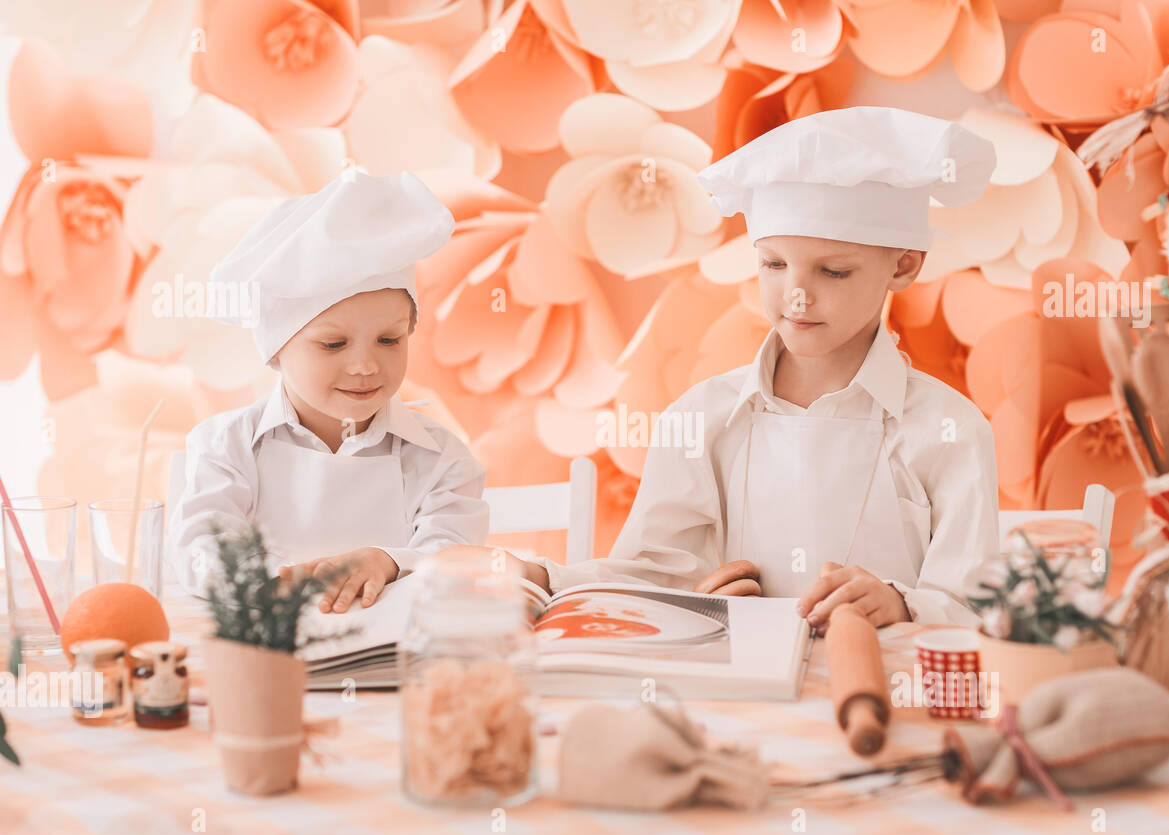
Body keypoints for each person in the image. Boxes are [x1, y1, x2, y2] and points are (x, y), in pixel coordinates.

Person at [512, 107, 1001, 629]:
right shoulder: (701, 416)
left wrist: (901, 605)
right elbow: (651, 574)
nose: (797, 294)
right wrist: (695, 603)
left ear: (903, 265)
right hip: (744, 695)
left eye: (833, 271)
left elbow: (978, 610)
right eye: (773, 263)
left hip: (892, 691)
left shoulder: (951, 432)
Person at [166, 170, 489, 612]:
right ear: (277, 349)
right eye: (333, 344)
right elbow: (201, 546)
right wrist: (273, 579)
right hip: (264, 659)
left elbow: (457, 554)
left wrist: (389, 562)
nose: (366, 365)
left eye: (390, 340)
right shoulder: (227, 447)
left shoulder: (443, 460)